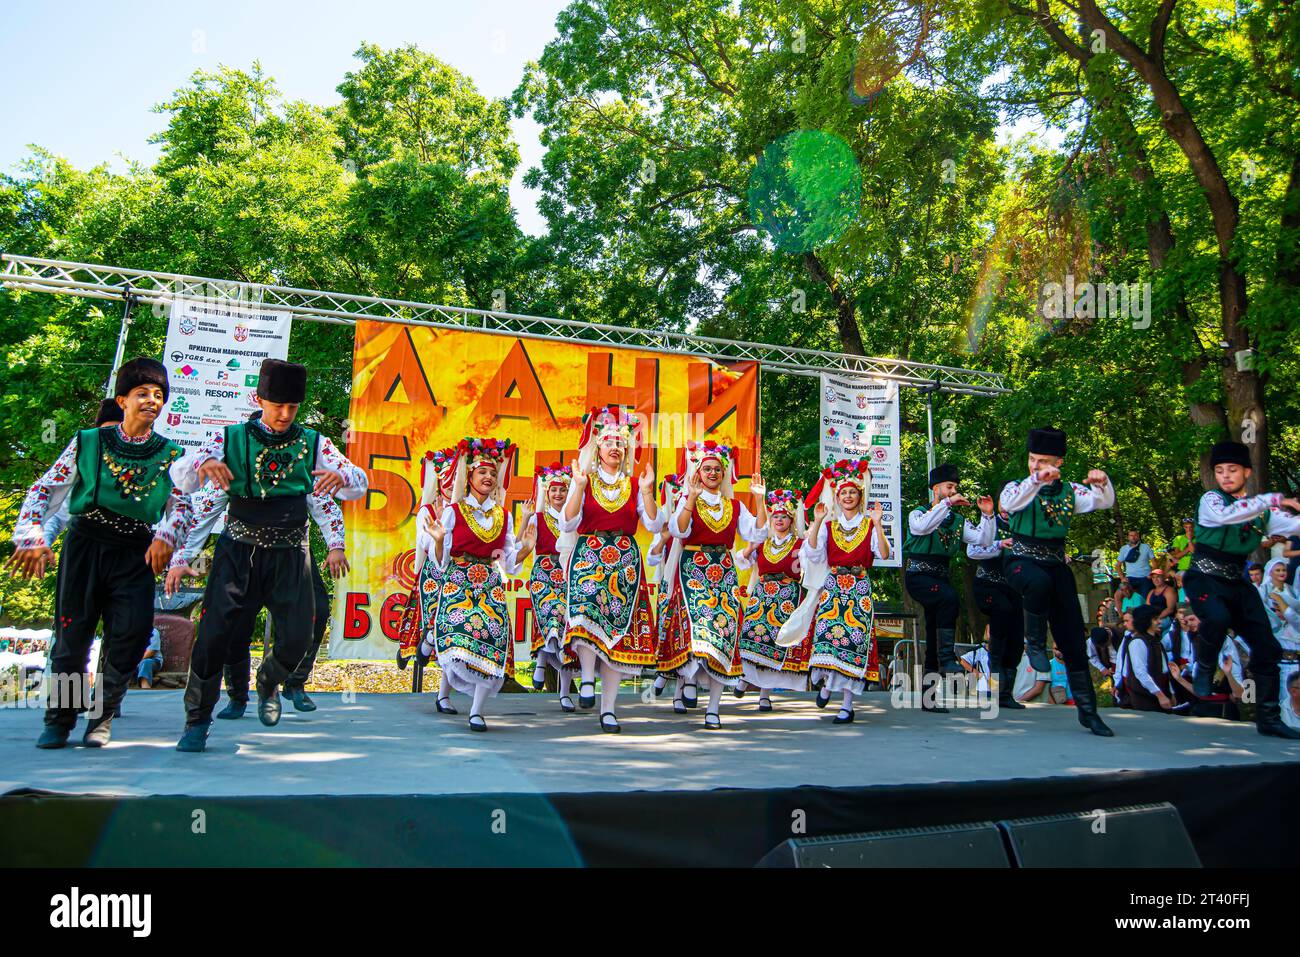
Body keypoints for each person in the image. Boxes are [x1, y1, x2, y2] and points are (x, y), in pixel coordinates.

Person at [173, 359, 368, 752]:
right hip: (237, 552)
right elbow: (185, 482)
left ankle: (268, 679)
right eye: (277, 404)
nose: (283, 414)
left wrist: (343, 477)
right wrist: (203, 464)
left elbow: (359, 483)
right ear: (258, 398)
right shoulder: (230, 439)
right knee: (213, 638)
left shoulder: (315, 444)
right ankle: (197, 720)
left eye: (292, 407)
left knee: (297, 638)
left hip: (289, 554)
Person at [9, 358, 190, 749]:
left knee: (133, 633)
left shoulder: (172, 455)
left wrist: (167, 536)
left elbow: (183, 506)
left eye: (158, 396)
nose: (151, 401)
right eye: (142, 394)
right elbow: (44, 491)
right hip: (86, 545)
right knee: (72, 637)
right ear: (122, 400)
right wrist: (32, 536)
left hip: (136, 553)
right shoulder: (88, 443)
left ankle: (102, 715)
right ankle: (60, 720)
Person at [165, 481, 350, 717]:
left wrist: (336, 545)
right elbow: (205, 508)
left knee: (317, 612)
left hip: (290, 549)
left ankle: (290, 681)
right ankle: (237, 696)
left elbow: (323, 502)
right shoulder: (235, 451)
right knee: (233, 624)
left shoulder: (300, 450)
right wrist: (183, 556)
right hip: (242, 550)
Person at [1000, 426, 1116, 736]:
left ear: (1060, 463)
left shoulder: (1070, 492)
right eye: (1032, 459)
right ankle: (1035, 642)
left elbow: (1101, 502)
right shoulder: (1017, 486)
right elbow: (1010, 504)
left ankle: (1089, 712)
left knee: (1074, 640)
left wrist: (1102, 483)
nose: (1036, 466)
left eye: (1044, 461)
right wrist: (1036, 479)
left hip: (1055, 564)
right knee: (1038, 583)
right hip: (1021, 561)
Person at [1182, 439, 1300, 738]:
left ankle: (1269, 717)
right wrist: (1271, 499)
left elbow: (1292, 525)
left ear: (1247, 472)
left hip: (1238, 582)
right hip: (1204, 576)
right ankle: (1204, 667)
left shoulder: (1263, 513)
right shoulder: (1211, 500)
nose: (1225, 476)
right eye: (1220, 470)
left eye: (1232, 470)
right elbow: (1225, 517)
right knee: (1218, 618)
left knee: (1268, 647)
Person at [559, 406, 661, 733]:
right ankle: (587, 679)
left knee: (618, 634)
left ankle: (608, 709)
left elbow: (655, 523)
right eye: (609, 441)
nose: (615, 446)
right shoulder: (585, 481)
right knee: (586, 613)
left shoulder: (635, 483)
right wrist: (576, 486)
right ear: (598, 448)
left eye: (621, 442)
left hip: (625, 560)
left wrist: (647, 491)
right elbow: (568, 521)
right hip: (589, 554)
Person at [419, 437, 528, 732]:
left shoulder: (503, 515)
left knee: (491, 639)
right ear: (469, 477)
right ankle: (432, 640)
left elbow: (508, 563)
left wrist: (526, 547)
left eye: (493, 473)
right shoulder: (454, 511)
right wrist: (439, 540)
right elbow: (441, 561)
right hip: (459, 578)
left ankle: (477, 711)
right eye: (482, 472)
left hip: (489, 583)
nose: (489, 478)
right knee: (459, 634)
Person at [777, 457, 891, 725]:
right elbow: (814, 552)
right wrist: (816, 521)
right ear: (837, 498)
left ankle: (847, 705)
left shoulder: (868, 524)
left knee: (853, 641)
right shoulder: (829, 526)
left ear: (860, 496)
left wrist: (877, 524)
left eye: (853, 492)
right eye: (844, 493)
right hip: (834, 585)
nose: (848, 496)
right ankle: (827, 684)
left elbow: (883, 553)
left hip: (859, 587)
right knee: (828, 637)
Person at [663, 442, 768, 729]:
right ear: (698, 472)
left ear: (724, 475)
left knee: (723, 633)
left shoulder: (735, 506)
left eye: (717, 469)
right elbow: (678, 530)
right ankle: (687, 682)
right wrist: (689, 499)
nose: (712, 473)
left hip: (723, 572)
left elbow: (758, 532)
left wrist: (759, 500)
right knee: (697, 629)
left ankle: (713, 708)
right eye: (706, 468)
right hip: (693, 569)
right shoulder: (691, 499)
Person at [903, 463, 995, 710]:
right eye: (949, 486)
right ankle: (947, 658)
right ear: (936, 489)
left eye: (955, 487)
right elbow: (921, 528)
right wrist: (947, 504)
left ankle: (928, 697)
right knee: (950, 598)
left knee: (933, 631)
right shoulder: (918, 513)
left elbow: (983, 540)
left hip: (941, 576)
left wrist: (987, 515)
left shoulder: (957, 520)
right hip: (919, 576)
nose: (954, 490)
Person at [735, 488, 810, 712]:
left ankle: (764, 694)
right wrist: (750, 547)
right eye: (775, 516)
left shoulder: (800, 544)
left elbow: (811, 564)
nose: (779, 520)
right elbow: (743, 561)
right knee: (749, 634)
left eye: (784, 516)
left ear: (791, 519)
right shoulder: (763, 541)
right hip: (762, 593)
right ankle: (745, 678)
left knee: (775, 642)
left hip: (787, 596)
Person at [522, 464, 576, 712]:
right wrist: (524, 519)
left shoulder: (575, 518)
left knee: (568, 633)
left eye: (562, 490)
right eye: (553, 490)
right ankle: (542, 662)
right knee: (553, 614)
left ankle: (564, 693)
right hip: (543, 574)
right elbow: (519, 543)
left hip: (567, 575)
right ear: (547, 492)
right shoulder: (538, 518)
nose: (557, 495)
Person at [396, 448, 456, 671]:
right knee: (430, 612)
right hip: (435, 570)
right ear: (439, 483)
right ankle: (414, 647)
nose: (450, 484)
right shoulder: (428, 509)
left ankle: (438, 655)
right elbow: (423, 541)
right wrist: (438, 534)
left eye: (454, 479)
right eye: (446, 479)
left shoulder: (465, 509)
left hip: (460, 568)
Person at [967, 486, 1024, 711]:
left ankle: (1006, 693)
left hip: (1014, 590)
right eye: (1006, 499)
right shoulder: (990, 522)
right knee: (1001, 620)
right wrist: (1000, 544)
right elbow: (973, 551)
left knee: (1017, 639)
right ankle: (998, 687)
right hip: (988, 585)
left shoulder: (1025, 528)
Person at [1121, 605, 1186, 714]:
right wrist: (1160, 695)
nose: (1160, 622)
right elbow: (1140, 673)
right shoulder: (1138, 642)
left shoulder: (1156, 641)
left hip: (1160, 694)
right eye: (1156, 619)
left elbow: (1164, 669)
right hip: (1145, 698)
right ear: (1146, 621)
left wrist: (1171, 693)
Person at [1116, 530, 1156, 598]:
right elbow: (1118, 565)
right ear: (1128, 537)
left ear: (1138, 537)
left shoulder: (1146, 547)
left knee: (1144, 598)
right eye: (1131, 535)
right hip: (1130, 578)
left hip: (1145, 577)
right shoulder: (1124, 549)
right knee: (1117, 595)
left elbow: (1154, 563)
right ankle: (1122, 609)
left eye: (1135, 535)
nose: (1133, 537)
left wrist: (1151, 574)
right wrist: (1122, 578)